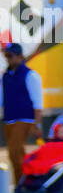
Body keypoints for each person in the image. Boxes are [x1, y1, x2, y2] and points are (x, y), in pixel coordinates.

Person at [2, 42, 44, 182]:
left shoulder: (30, 75)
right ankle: (24, 181)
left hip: (24, 119)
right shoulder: (6, 76)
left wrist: (37, 124)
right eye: (5, 55)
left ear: (20, 57)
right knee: (15, 153)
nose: (7, 58)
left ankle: (21, 182)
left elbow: (38, 102)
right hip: (9, 119)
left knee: (14, 151)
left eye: (10, 55)